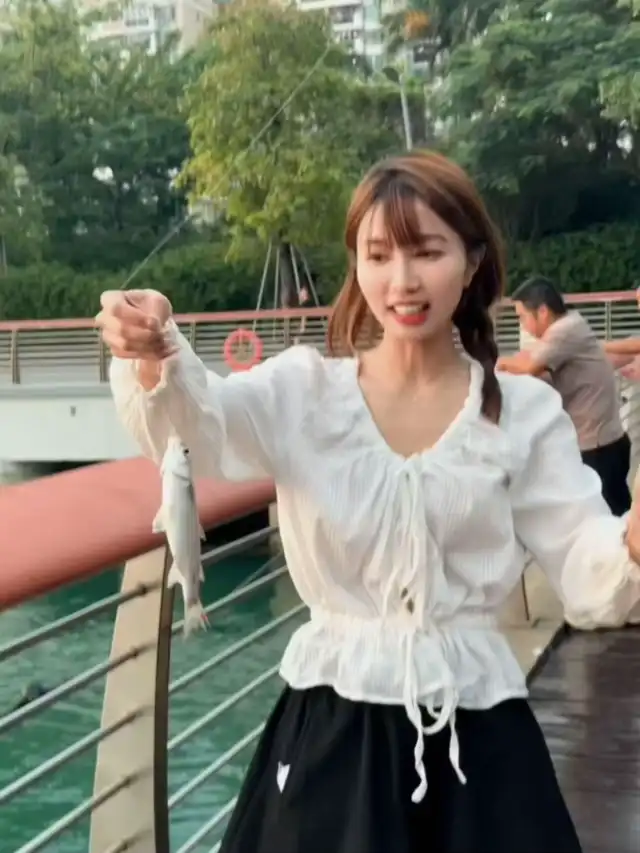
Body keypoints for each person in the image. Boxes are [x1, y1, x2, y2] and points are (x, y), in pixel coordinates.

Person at [96, 152, 640, 853]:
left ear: (471, 262)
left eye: (428, 252)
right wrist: (153, 346)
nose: (402, 280)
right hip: (332, 733)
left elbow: (588, 563)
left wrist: (629, 542)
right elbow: (199, 428)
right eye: (378, 255)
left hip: (480, 736)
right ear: (355, 264)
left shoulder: (525, 412)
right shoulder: (304, 392)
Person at [497, 276, 631, 515]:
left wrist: (498, 364)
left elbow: (529, 367)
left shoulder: (564, 331)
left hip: (598, 448)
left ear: (543, 311)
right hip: (604, 443)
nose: (522, 325)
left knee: (608, 520)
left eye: (522, 317)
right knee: (612, 516)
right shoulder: (571, 325)